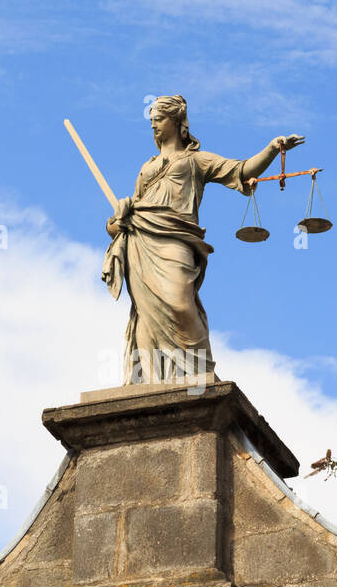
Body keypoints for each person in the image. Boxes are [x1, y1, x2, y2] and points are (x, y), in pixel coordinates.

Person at [103, 95, 303, 384]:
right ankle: (148, 380)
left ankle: (199, 371)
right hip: (141, 243)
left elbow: (242, 169)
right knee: (146, 314)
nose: (154, 127)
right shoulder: (147, 167)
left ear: (178, 122)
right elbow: (128, 215)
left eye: (159, 119)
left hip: (176, 240)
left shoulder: (197, 160)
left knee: (181, 304)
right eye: (151, 122)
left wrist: (273, 149)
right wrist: (118, 219)